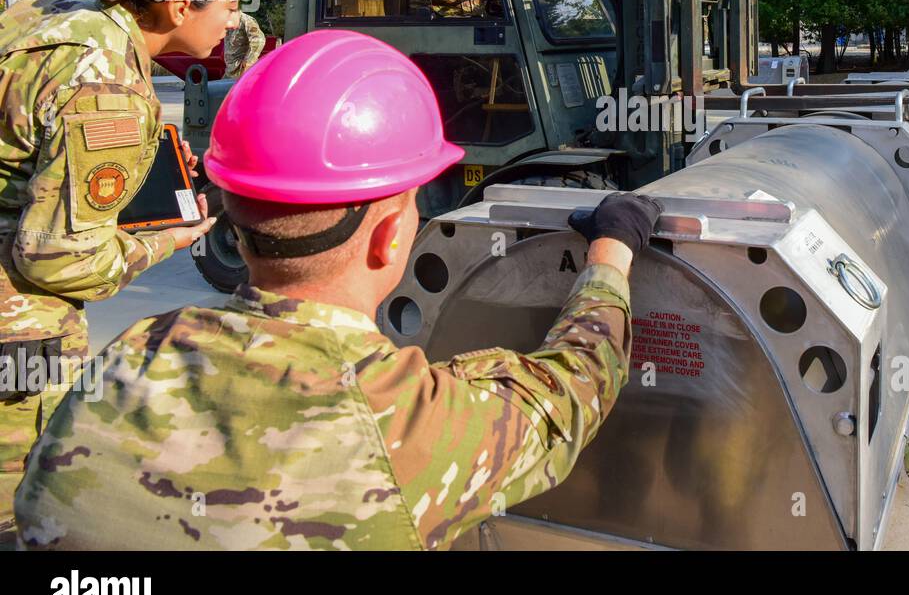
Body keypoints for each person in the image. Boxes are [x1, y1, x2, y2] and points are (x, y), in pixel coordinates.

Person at [15, 30, 659, 549]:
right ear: (389, 240)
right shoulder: (410, 424)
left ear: (235, 229)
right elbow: (575, 385)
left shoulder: (133, 353)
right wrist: (611, 250)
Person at [0, 0, 227, 539]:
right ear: (180, 3)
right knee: (20, 500)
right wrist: (168, 240)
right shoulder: (109, 86)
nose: (235, 22)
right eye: (230, 7)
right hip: (16, 324)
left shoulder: (51, 16)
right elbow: (54, 258)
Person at [223, 11, 266, 80]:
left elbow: (258, 40)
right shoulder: (229, 21)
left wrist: (249, 62)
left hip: (241, 71)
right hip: (231, 70)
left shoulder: (246, 20)